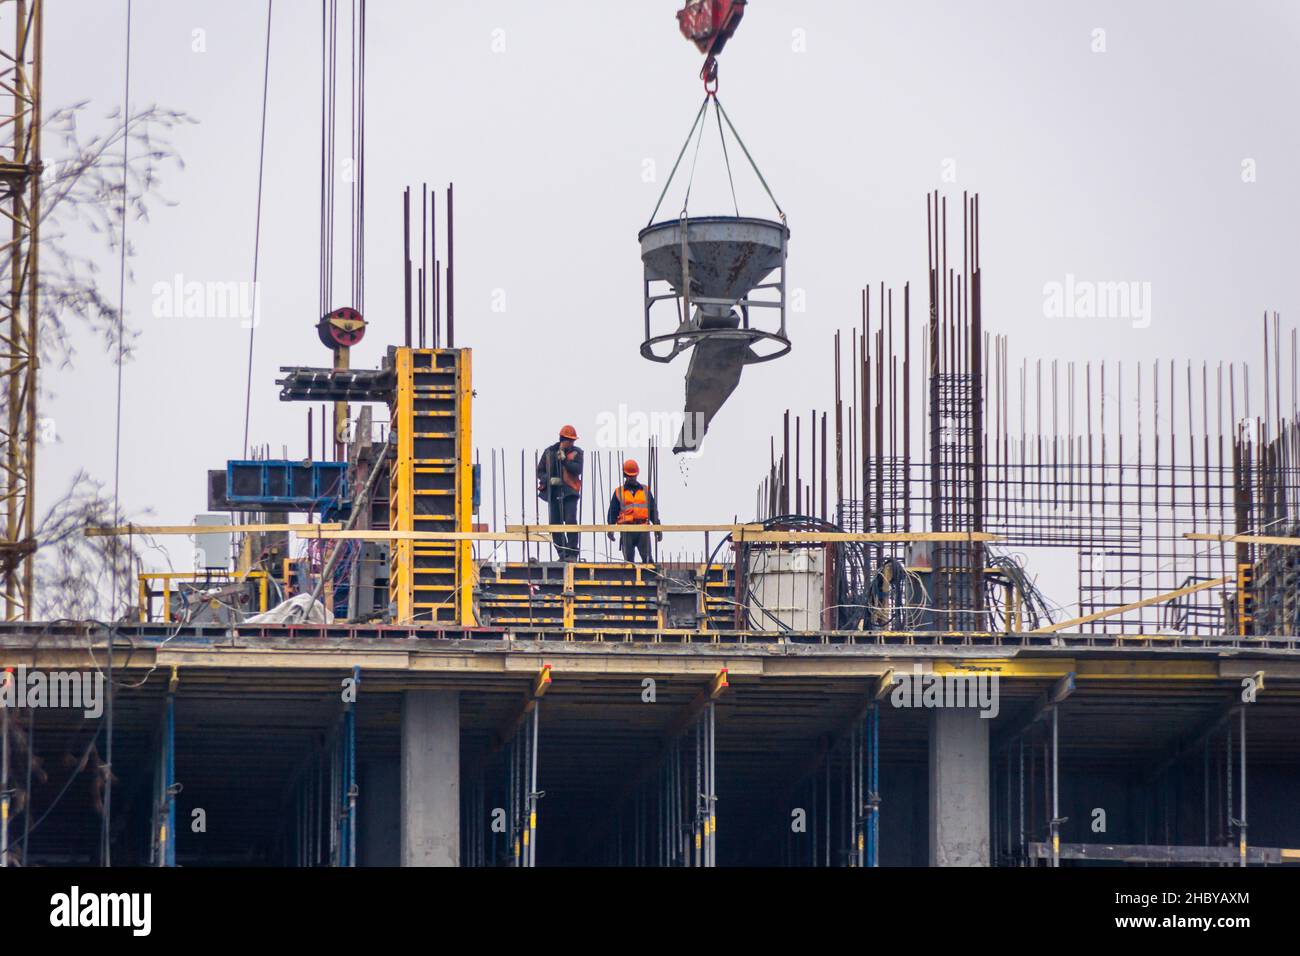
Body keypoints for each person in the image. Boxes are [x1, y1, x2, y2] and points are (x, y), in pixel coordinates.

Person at [537, 424, 583, 561]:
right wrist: (549, 480)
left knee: (570, 522)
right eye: (570, 440)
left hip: (570, 492)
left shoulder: (577, 453)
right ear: (563, 439)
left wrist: (564, 461)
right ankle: (563, 553)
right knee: (555, 524)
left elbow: (578, 469)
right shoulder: (549, 452)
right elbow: (539, 471)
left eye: (573, 441)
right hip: (553, 493)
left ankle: (572, 553)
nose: (572, 443)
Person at [606, 458, 662, 564]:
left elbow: (652, 511)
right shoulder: (619, 492)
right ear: (625, 475)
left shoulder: (645, 490)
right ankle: (630, 579)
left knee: (648, 560)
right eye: (629, 476)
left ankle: (649, 575)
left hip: (642, 529)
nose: (632, 478)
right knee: (628, 562)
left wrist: (657, 527)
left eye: (633, 475)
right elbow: (612, 512)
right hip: (627, 530)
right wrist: (610, 528)